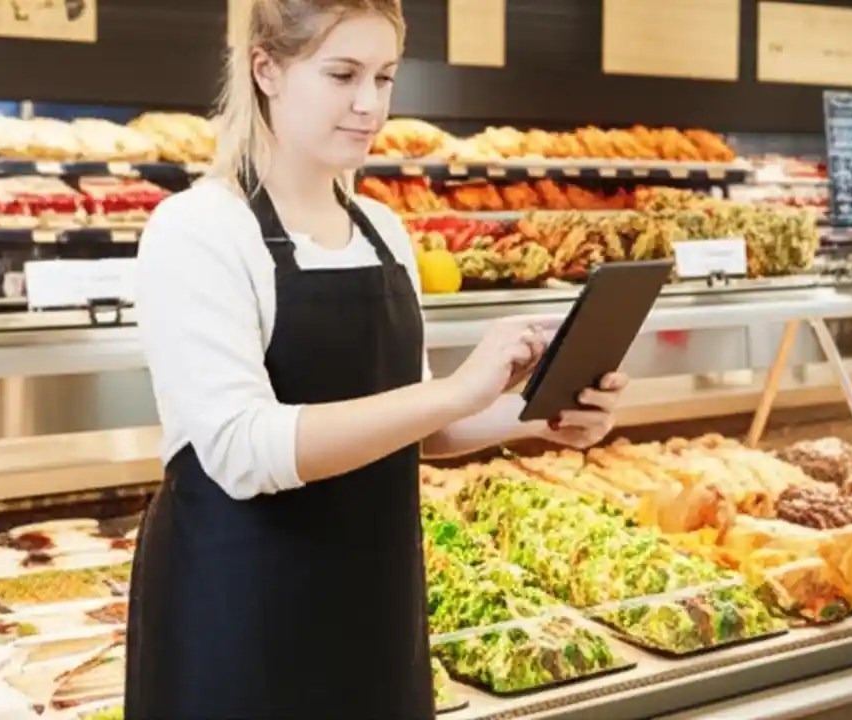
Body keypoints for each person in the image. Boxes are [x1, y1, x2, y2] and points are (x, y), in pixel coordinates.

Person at [124, 2, 627, 718]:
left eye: (385, 77)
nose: (370, 104)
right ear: (266, 69)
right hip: (239, 615)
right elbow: (242, 451)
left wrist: (538, 412)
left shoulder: (383, 228)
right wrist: (459, 391)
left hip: (376, 602)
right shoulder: (199, 229)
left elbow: (414, 425)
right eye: (342, 75)